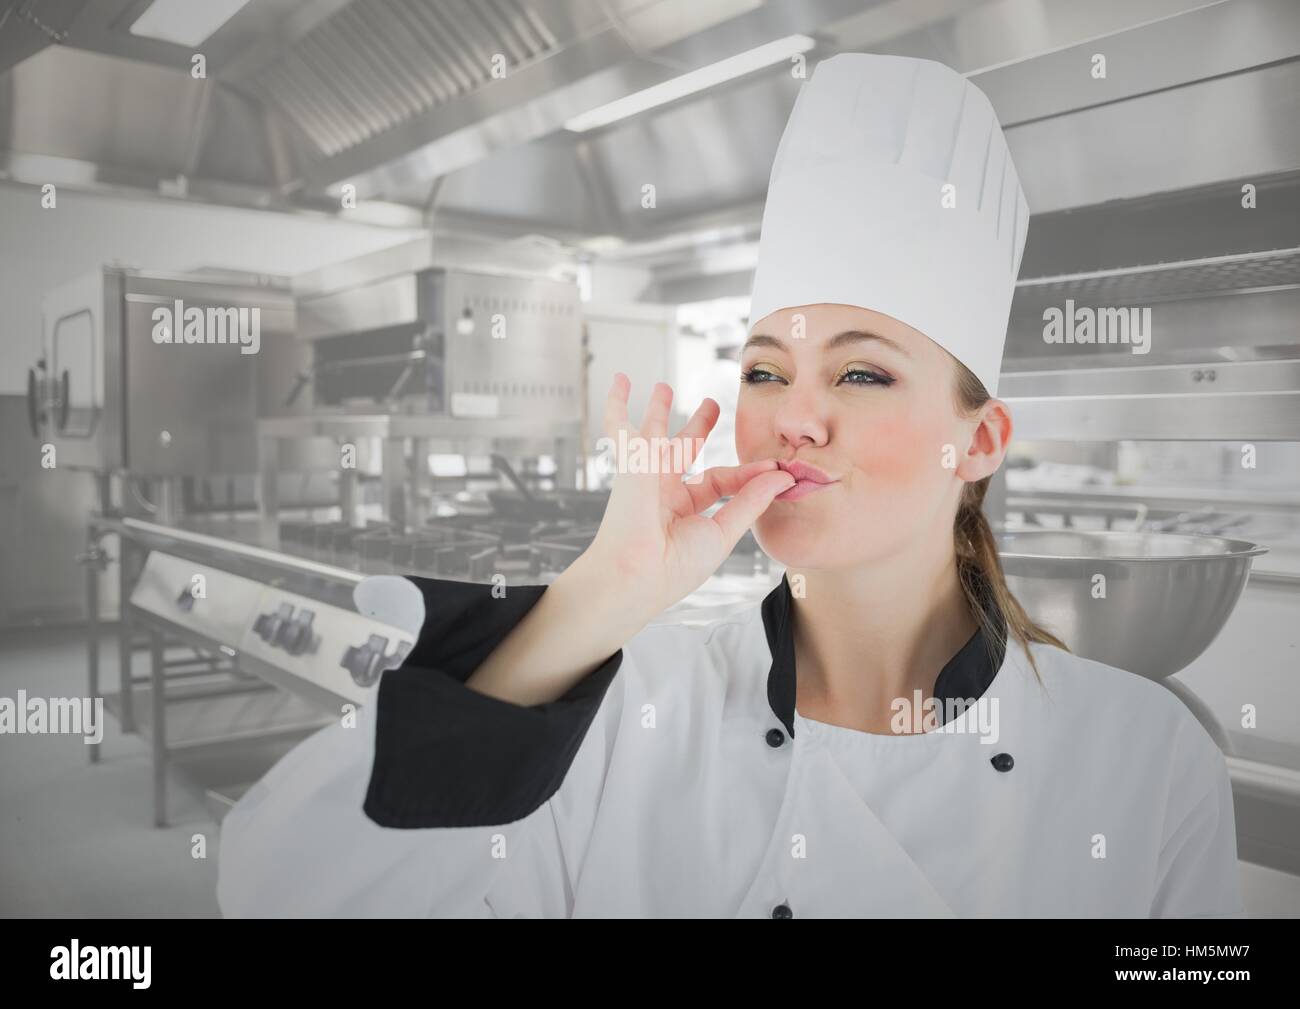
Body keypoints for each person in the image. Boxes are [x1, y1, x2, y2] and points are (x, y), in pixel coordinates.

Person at [217, 53, 1244, 918]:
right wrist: (594, 597)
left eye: (861, 371)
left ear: (979, 442)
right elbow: (279, 886)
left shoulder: (1144, 756)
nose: (794, 413)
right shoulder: (619, 719)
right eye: (763, 371)